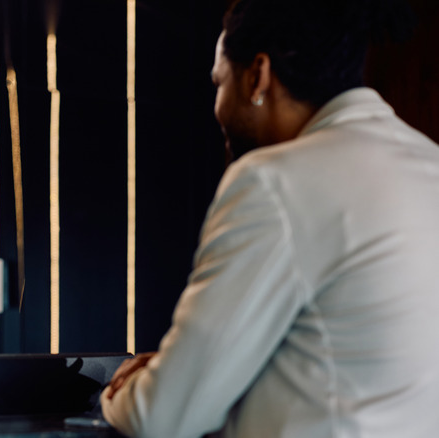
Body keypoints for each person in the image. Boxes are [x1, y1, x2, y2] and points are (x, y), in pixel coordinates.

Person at [101, 1, 439, 437]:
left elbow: (160, 417)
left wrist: (124, 388)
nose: (217, 105)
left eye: (219, 83)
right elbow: (343, 360)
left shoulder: (273, 181)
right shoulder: (429, 164)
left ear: (257, 76)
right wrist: (176, 368)